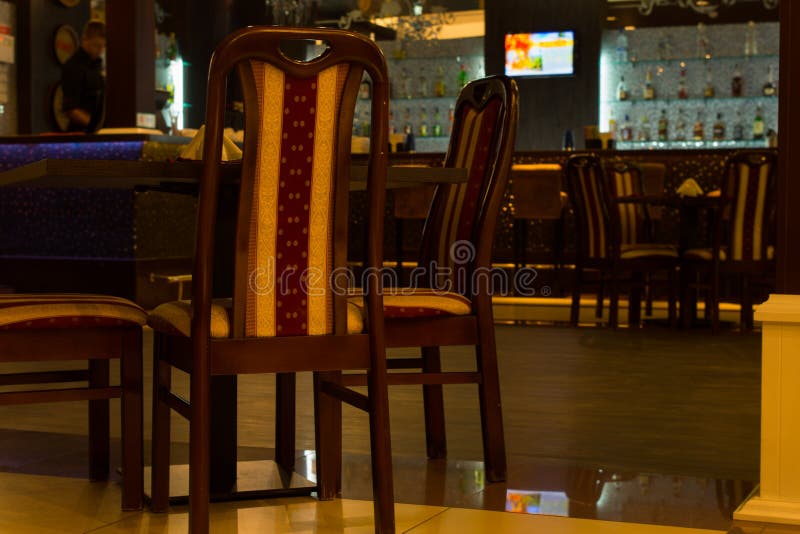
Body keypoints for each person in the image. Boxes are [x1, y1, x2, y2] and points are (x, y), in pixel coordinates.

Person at [61, 20, 106, 133]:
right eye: (96, 45)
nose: (100, 51)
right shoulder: (73, 67)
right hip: (80, 134)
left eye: (103, 46)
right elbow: (71, 109)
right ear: (84, 40)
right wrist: (95, 127)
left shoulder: (98, 66)